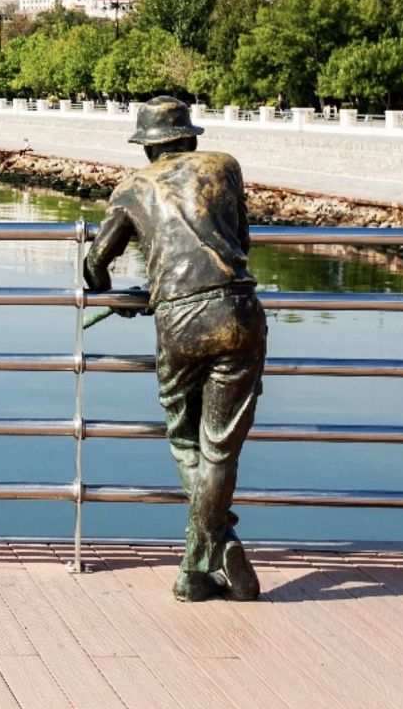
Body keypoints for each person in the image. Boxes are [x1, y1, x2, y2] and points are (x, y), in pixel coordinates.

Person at [83, 95, 267, 602]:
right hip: (237, 310)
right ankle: (208, 552)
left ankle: (201, 558)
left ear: (148, 147)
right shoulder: (224, 168)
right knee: (220, 447)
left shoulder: (132, 188)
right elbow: (240, 241)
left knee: (186, 441)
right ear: (189, 136)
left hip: (179, 321)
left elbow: (96, 264)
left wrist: (120, 296)